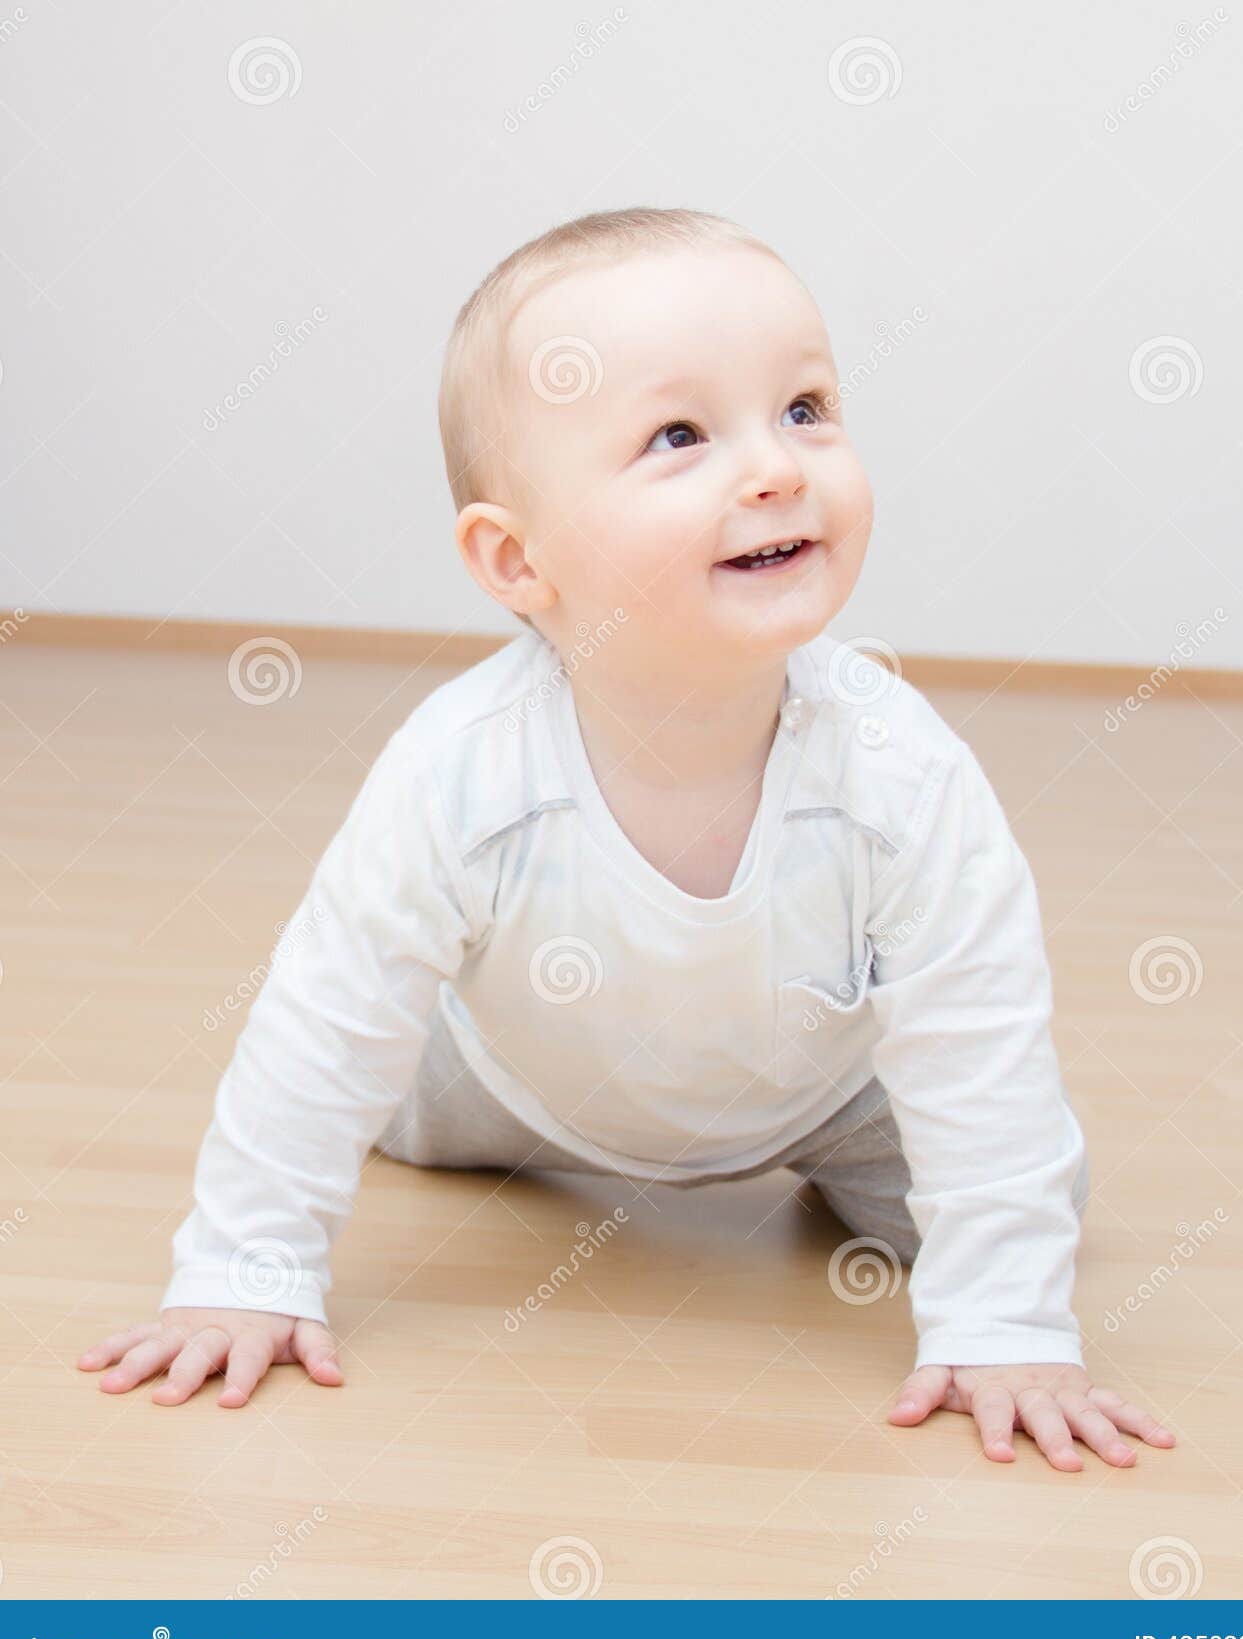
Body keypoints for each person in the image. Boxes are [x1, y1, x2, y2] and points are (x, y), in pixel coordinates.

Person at [77, 207, 1175, 1472]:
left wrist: (1007, 1327)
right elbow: (328, 1010)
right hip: (504, 1088)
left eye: (805, 408)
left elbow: (975, 1030)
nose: (776, 469)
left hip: (829, 1095)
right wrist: (245, 1268)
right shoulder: (463, 766)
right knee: (377, 1078)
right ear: (516, 558)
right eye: (680, 435)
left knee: (1035, 1187)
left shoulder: (898, 764)